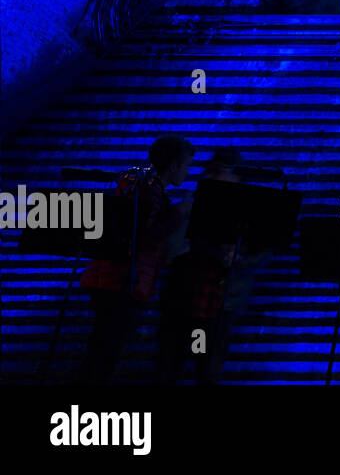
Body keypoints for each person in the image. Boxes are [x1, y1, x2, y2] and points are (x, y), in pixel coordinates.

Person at [77, 135, 193, 383]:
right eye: (186, 165)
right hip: (123, 281)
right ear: (173, 165)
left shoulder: (144, 187)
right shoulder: (149, 191)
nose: (187, 172)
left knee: (102, 346)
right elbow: (145, 233)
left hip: (114, 279)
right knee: (107, 350)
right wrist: (180, 212)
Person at [157, 148, 242, 385]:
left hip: (215, 305)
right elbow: (169, 251)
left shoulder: (242, 215)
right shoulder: (189, 206)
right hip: (182, 300)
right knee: (169, 365)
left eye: (221, 173)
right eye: (211, 172)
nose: (212, 178)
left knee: (206, 369)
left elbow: (252, 256)